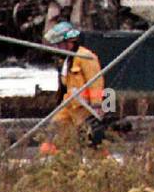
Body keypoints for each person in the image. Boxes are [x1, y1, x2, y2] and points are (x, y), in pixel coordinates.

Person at [40, 20, 106, 153]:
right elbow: (65, 86)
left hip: (85, 109)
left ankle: (104, 164)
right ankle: (58, 160)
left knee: (91, 143)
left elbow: (96, 82)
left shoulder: (86, 57)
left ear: (70, 42)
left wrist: (97, 105)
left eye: (59, 44)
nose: (57, 48)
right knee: (53, 131)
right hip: (69, 107)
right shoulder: (66, 60)